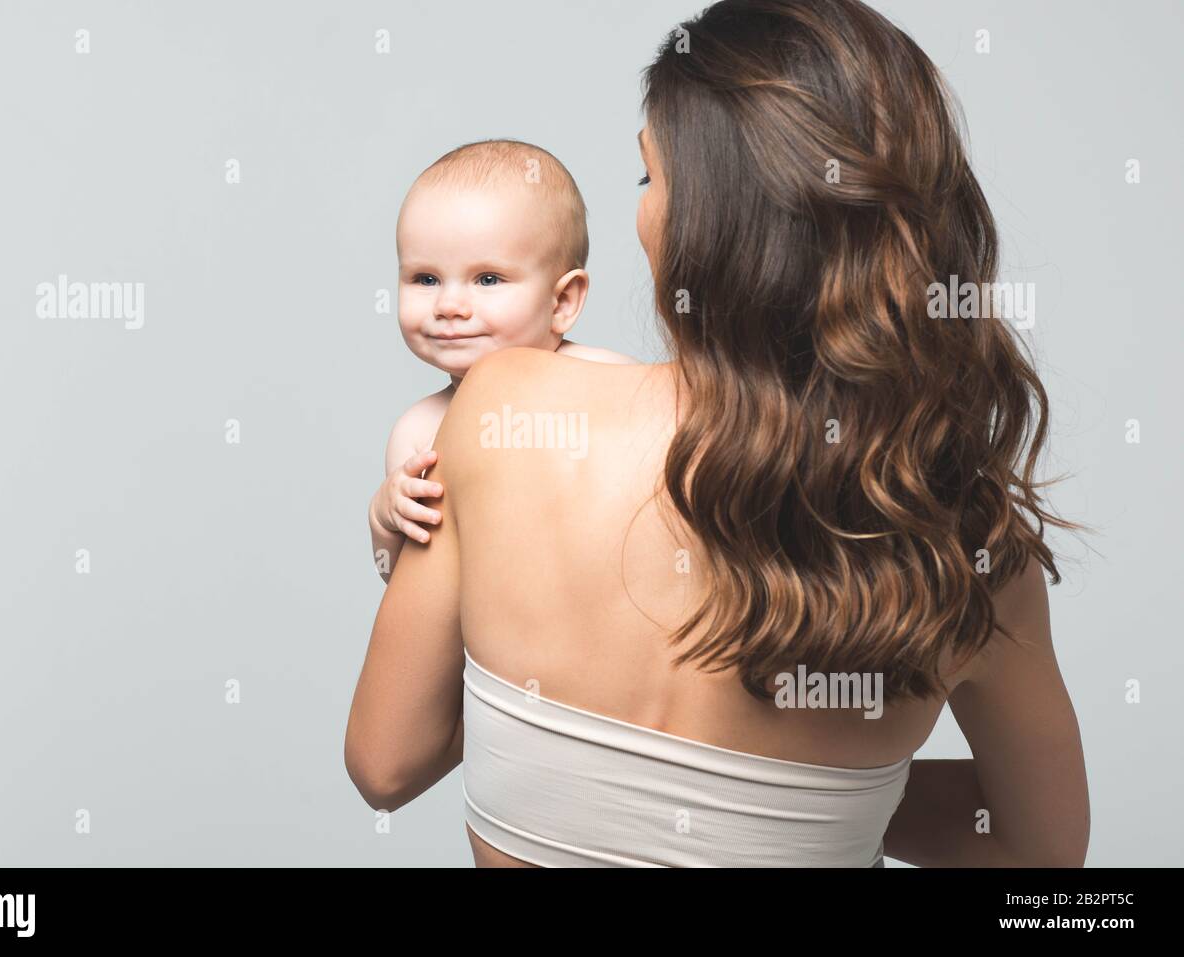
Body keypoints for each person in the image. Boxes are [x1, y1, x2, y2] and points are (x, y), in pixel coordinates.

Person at [345, 0, 1090, 867]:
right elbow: (1041, 853)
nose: (642, 213)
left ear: (708, 218)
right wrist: (825, 797)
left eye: (647, 180)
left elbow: (384, 759)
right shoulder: (961, 536)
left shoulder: (504, 412)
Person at [370, 139, 634, 583]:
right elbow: (407, 584)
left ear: (562, 301)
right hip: (494, 648)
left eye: (487, 279)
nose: (449, 304)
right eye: (426, 278)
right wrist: (385, 520)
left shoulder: (613, 380)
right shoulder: (419, 434)